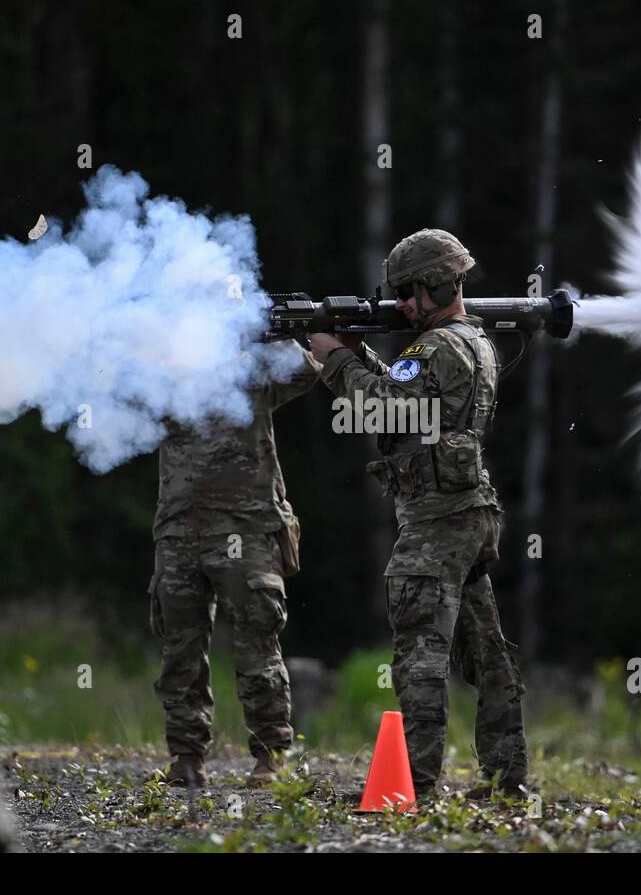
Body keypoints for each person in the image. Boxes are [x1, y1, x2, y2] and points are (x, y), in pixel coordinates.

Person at [308, 228, 529, 798]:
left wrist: (333, 361)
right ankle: (507, 779)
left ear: (435, 283)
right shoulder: (472, 343)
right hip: (470, 512)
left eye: (408, 291)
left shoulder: (434, 348)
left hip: (436, 521)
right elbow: (415, 405)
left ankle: (417, 786)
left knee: (420, 656)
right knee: (488, 652)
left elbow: (384, 415)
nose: (401, 303)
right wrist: (358, 356)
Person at [150, 342, 320, 786]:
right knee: (179, 649)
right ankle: (186, 757)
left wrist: (274, 334)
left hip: (244, 528)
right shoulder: (157, 367)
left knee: (257, 644)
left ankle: (270, 756)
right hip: (179, 528)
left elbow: (308, 370)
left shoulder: (249, 366)